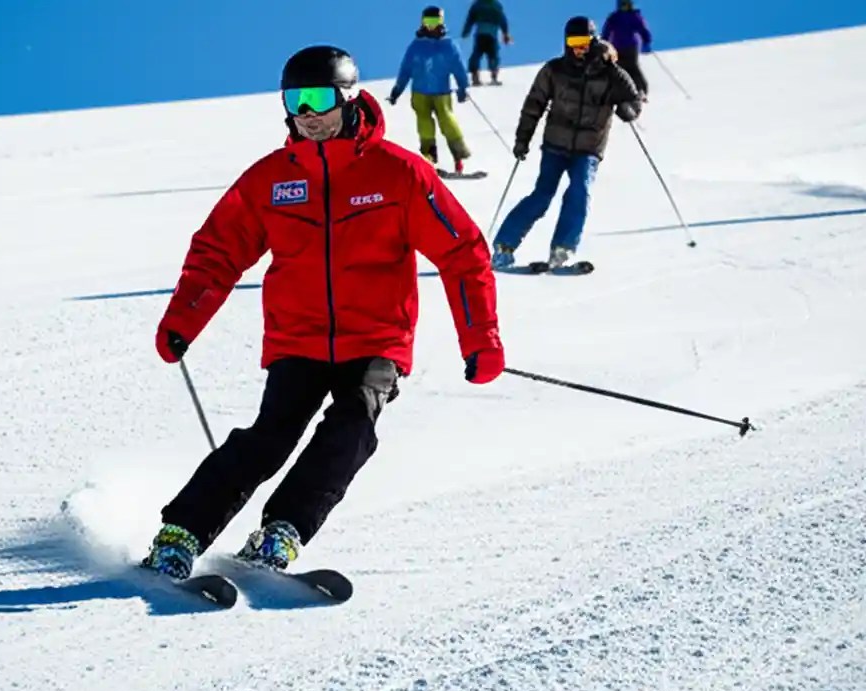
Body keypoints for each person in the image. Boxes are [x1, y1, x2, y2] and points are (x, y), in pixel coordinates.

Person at [142, 46, 505, 580]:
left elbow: (463, 252)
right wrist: (183, 320)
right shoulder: (270, 180)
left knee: (354, 425)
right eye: (294, 101)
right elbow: (217, 252)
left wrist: (481, 340)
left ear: (349, 97)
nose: (306, 114)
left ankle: (282, 531)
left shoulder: (400, 173)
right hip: (298, 337)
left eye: (317, 98)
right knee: (270, 438)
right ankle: (180, 536)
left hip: (377, 339)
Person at [491, 17, 643, 270]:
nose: (578, 48)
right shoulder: (555, 70)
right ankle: (503, 247)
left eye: (583, 42)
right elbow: (533, 106)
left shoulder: (611, 73)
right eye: (573, 42)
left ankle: (563, 249)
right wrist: (522, 139)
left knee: (579, 192)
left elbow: (633, 101)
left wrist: (627, 108)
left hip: (588, 147)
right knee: (542, 196)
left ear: (594, 42)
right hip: (555, 145)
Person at [388, 6, 473, 174]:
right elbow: (406, 69)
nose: (431, 26)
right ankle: (429, 157)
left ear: (441, 22)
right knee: (424, 124)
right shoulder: (416, 46)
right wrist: (397, 90)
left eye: (435, 22)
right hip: (420, 93)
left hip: (442, 93)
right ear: (422, 23)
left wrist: (463, 87)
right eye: (428, 22)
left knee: (447, 121)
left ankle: (458, 157)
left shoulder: (448, 46)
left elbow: (459, 68)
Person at [601, 0, 653, 97]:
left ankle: (641, 90)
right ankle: (619, 92)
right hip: (617, 48)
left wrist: (646, 40)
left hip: (630, 47)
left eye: (626, 5)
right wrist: (604, 43)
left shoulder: (634, 16)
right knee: (618, 69)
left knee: (632, 67)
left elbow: (642, 28)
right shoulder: (614, 17)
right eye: (622, 5)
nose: (624, 8)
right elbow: (607, 30)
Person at [462, 0, 513, 86]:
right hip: (492, 35)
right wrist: (505, 34)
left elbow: (470, 19)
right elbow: (503, 20)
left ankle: (475, 76)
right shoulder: (496, 5)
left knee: (477, 54)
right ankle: (494, 76)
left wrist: (466, 31)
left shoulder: (477, 4)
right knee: (493, 55)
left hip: (480, 34)